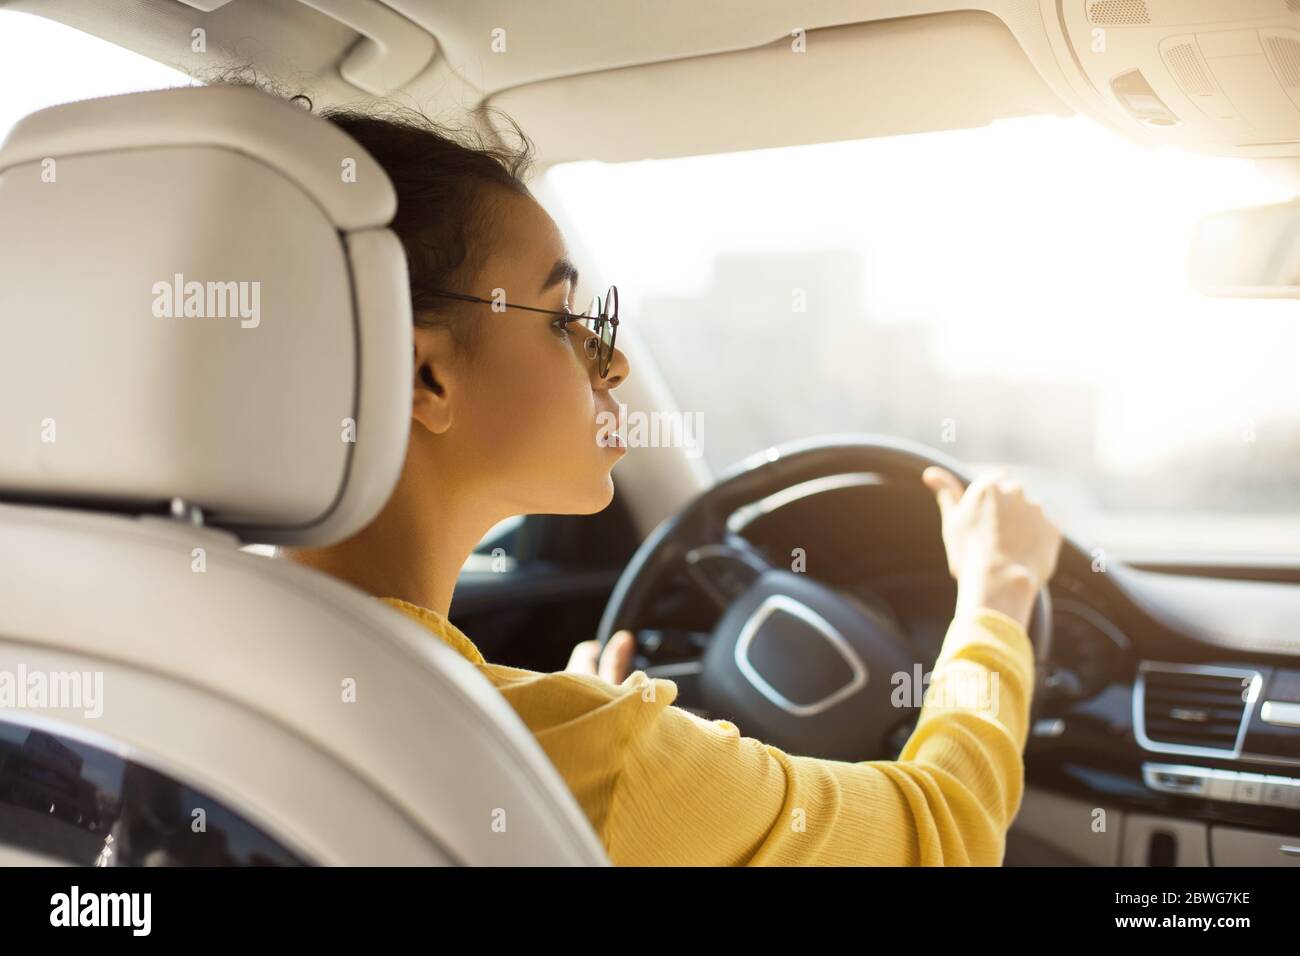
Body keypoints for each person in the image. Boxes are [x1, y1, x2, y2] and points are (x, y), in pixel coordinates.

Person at [281, 97, 1063, 865]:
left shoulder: (205, 642)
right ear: (427, 376)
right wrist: (999, 594)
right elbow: (946, 832)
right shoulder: (585, 755)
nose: (613, 362)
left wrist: (563, 724)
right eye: (562, 319)